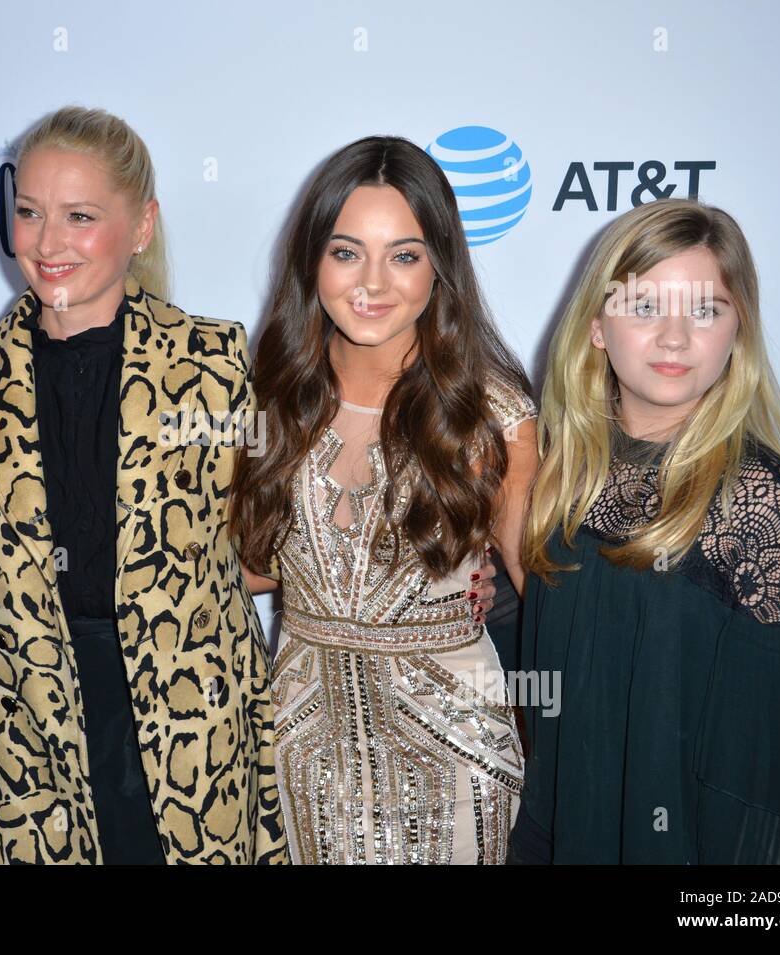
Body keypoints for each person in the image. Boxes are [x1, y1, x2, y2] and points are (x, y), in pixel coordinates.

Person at [0, 106, 286, 863]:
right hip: (33, 727)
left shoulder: (215, 364)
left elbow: (274, 540)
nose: (48, 242)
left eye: (80, 216)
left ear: (142, 226)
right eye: (28, 212)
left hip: (194, 721)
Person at [230, 136, 535, 864]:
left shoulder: (493, 415)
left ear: (440, 266)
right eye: (345, 252)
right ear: (313, 262)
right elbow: (243, 568)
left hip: (459, 758)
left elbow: (548, 584)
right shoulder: (268, 398)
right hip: (302, 751)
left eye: (404, 254)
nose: (373, 282)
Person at [509, 198, 780, 864]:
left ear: (737, 329)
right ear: (597, 325)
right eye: (645, 306)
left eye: (705, 311)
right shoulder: (562, 466)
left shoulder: (754, 495)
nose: (676, 339)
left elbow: (772, 776)